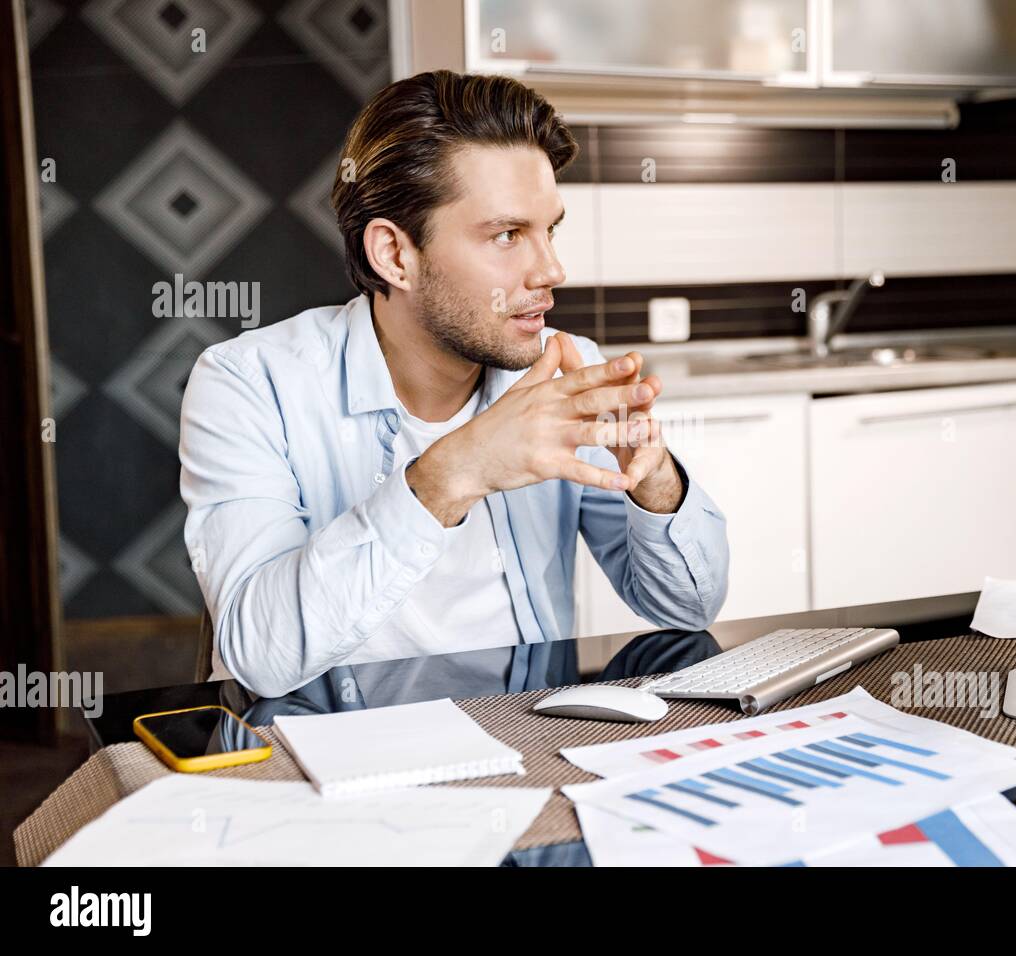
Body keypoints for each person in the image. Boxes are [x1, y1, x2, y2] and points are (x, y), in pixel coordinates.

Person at [178, 70, 729, 698]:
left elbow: (687, 611)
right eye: (506, 235)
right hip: (332, 763)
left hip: (530, 737)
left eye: (550, 230)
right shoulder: (249, 385)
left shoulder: (566, 371)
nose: (552, 269)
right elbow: (262, 654)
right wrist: (457, 472)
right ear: (394, 255)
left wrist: (656, 483)